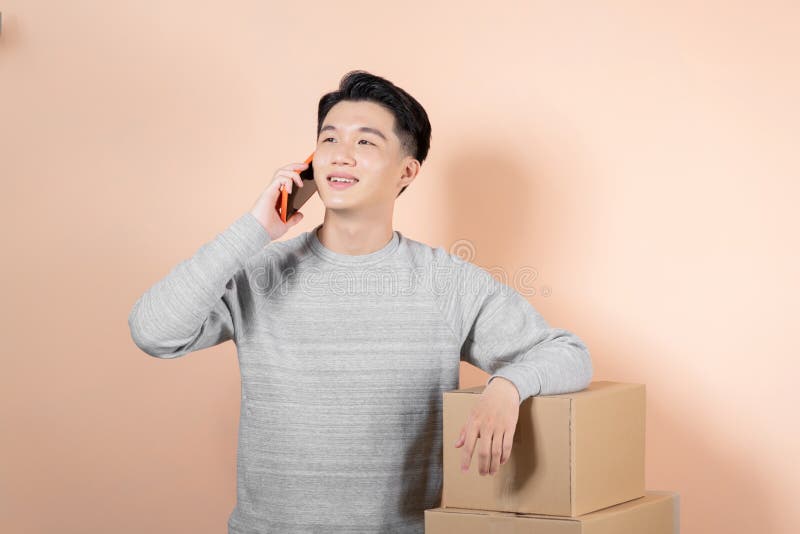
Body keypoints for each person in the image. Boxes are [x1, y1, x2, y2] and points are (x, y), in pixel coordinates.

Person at [128, 70, 593, 534]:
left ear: (407, 171)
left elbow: (568, 353)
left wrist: (506, 387)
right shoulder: (261, 273)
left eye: (365, 142)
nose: (340, 154)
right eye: (329, 139)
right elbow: (153, 332)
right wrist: (255, 229)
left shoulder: (448, 283)